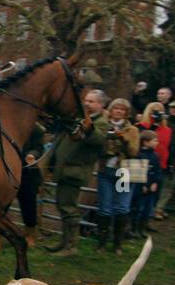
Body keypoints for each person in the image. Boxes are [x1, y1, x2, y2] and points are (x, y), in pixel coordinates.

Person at [45, 89, 109, 256]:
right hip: (64, 168)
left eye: (92, 101)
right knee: (62, 205)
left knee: (69, 208)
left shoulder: (100, 122)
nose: (87, 104)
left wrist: (89, 129)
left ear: (101, 105)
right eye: (86, 100)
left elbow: (99, 139)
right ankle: (64, 242)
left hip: (75, 170)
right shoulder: (77, 118)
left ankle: (71, 246)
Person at [95, 97, 140, 253]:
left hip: (124, 171)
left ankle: (117, 244)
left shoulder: (132, 130)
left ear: (126, 113)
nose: (118, 112)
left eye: (122, 109)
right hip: (106, 169)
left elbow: (134, 152)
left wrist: (123, 139)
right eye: (116, 108)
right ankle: (101, 244)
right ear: (111, 110)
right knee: (105, 207)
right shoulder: (103, 126)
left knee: (121, 207)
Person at [128, 129, 163, 238]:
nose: (157, 143)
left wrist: (155, 182)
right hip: (140, 187)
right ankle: (133, 229)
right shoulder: (139, 155)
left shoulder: (155, 156)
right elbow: (137, 173)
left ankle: (142, 229)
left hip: (151, 188)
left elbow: (157, 171)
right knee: (138, 208)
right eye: (154, 141)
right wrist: (143, 185)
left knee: (148, 209)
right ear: (145, 142)